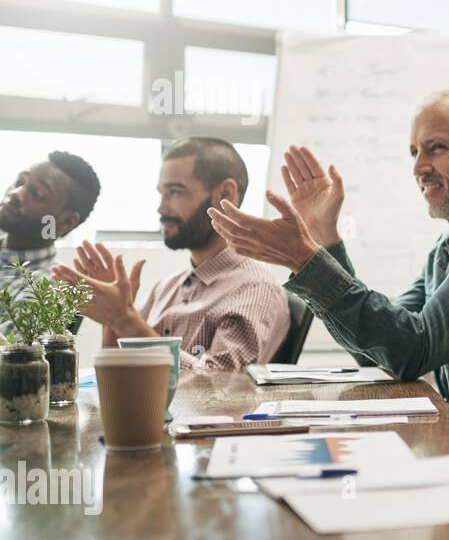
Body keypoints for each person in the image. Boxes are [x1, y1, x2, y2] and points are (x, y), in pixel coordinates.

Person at [207, 90, 449, 442]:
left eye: (436, 148)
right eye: (414, 151)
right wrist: (324, 238)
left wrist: (305, 259)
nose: (419, 166)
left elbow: (411, 350)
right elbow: (382, 351)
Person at [53, 137, 288, 370]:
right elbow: (122, 373)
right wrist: (112, 318)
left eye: (175, 192)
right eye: (161, 193)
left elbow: (221, 389)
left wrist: (125, 320)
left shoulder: (254, 289)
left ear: (225, 194)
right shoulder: (167, 287)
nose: (161, 208)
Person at [1, 151, 100, 338]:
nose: (15, 194)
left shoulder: (49, 292)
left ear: (65, 223)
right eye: (19, 182)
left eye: (37, 194)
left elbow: (9, 360)